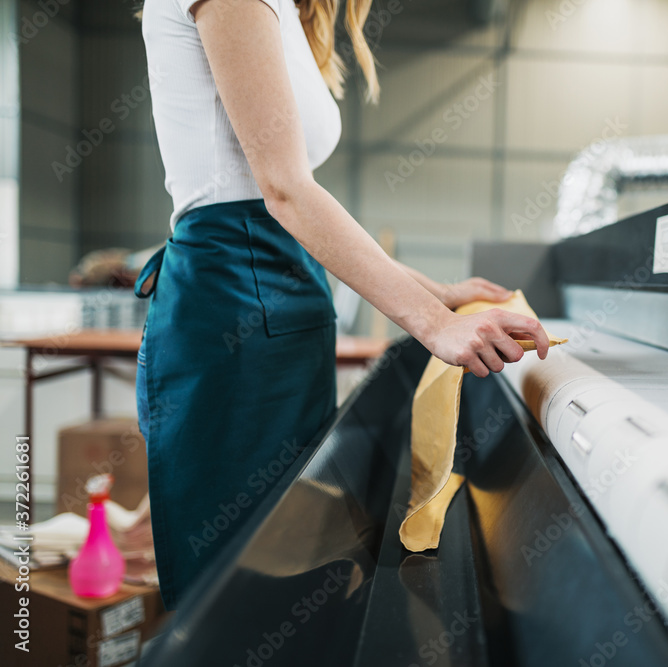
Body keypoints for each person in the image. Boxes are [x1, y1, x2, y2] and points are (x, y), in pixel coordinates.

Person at [135, 0, 550, 610]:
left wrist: (441, 295)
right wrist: (433, 324)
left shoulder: (286, 12)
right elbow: (282, 191)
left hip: (284, 293)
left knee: (281, 559)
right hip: (234, 307)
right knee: (230, 585)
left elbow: (295, 211)